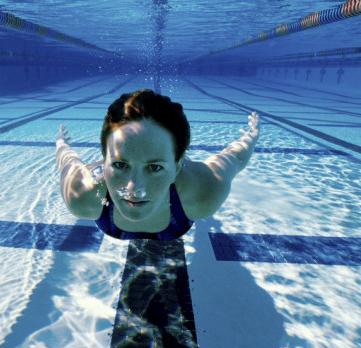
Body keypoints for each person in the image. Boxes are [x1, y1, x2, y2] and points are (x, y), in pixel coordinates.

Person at [55, 89, 260, 241]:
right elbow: (68, 161)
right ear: (104, 159)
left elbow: (236, 158)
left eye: (154, 168)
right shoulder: (82, 195)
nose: (133, 189)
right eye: (119, 165)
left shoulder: (205, 192)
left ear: (178, 167)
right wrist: (61, 143)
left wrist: (252, 135)